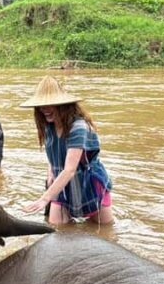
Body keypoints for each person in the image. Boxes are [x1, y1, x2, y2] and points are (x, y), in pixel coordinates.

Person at [20, 76, 113, 225]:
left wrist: (44, 199)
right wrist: (50, 171)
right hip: (62, 184)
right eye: (41, 106)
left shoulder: (78, 127)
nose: (44, 109)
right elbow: (53, 156)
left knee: (105, 231)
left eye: (49, 105)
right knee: (57, 229)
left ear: (62, 105)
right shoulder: (48, 126)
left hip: (88, 183)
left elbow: (70, 169)